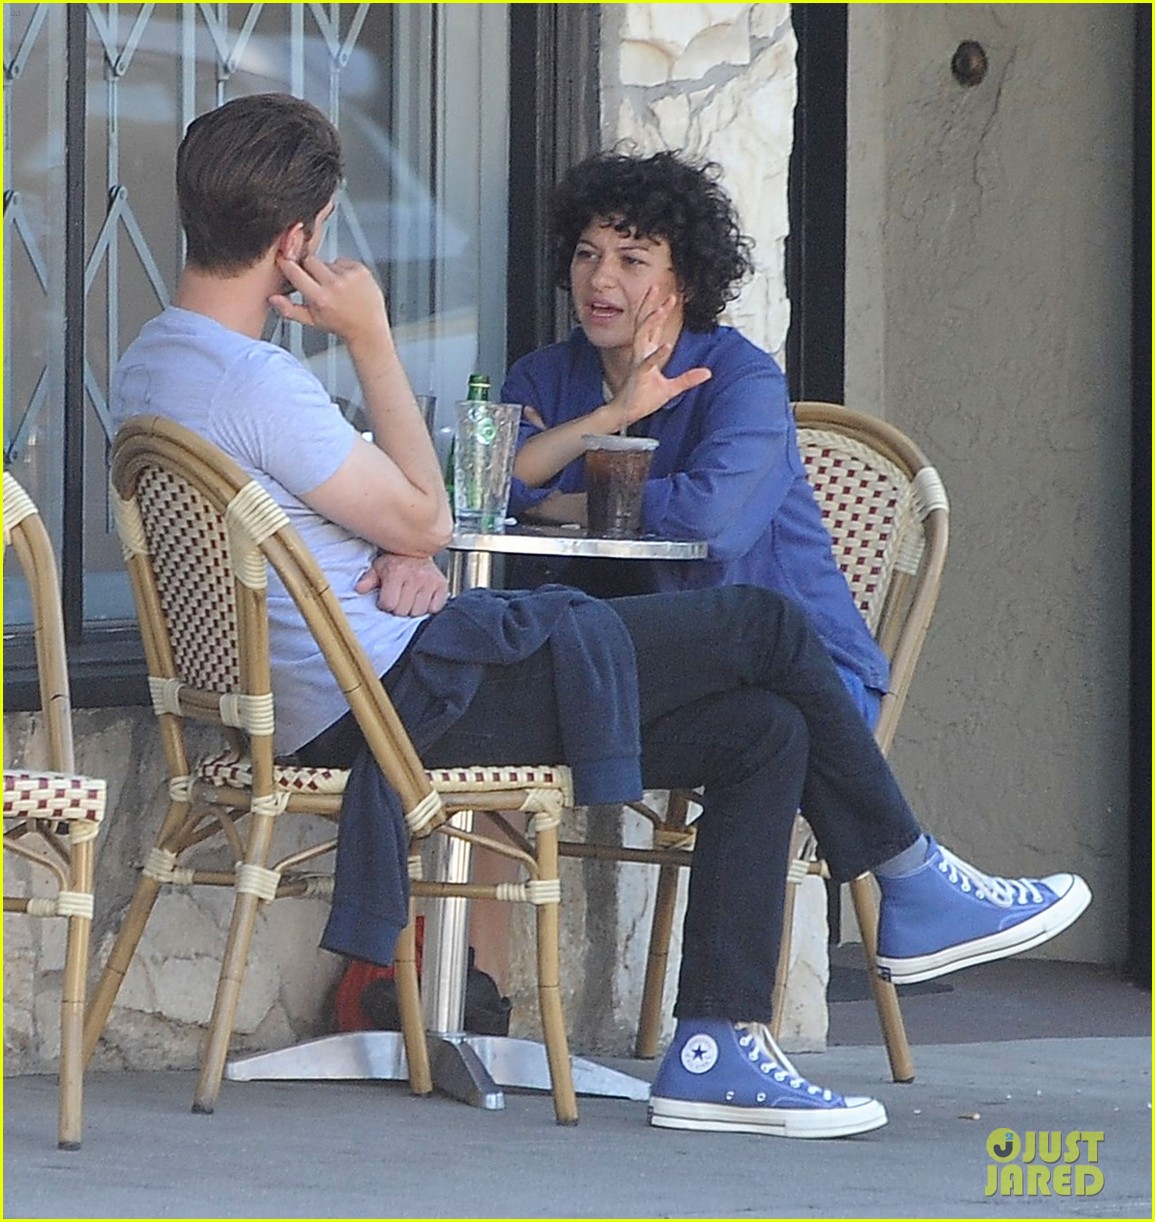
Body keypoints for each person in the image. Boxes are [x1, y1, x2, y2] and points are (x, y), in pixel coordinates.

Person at [112, 94, 1090, 1140]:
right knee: (762, 625)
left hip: (361, 688)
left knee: (768, 730)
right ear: (298, 239)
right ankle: (908, 875)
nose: (603, 279)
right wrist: (373, 344)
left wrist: (404, 545)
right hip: (402, 702)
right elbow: (436, 510)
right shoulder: (264, 382)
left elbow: (395, 525)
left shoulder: (154, 362)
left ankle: (715, 1045)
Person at [504, 150, 885, 725]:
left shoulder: (741, 378)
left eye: (632, 261)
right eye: (587, 254)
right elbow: (488, 491)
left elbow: (709, 518)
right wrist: (615, 413)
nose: (600, 278)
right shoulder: (544, 374)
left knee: (759, 725)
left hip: (798, 668)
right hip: (634, 655)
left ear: (683, 281)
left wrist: (559, 504)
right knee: (487, 695)